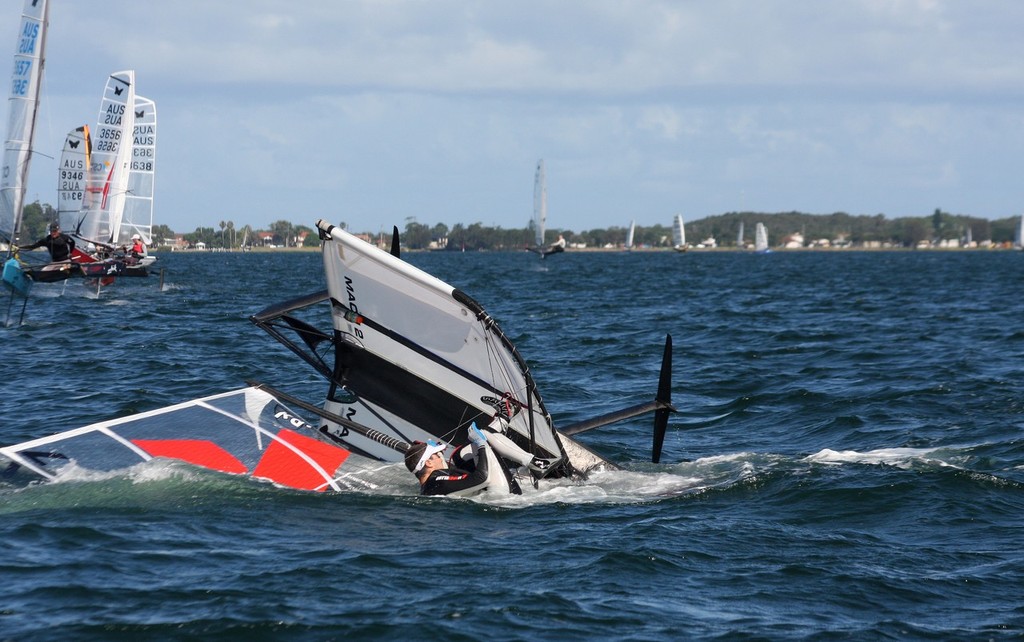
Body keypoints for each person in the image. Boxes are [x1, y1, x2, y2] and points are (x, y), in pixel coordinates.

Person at [405, 421, 559, 497]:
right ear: (429, 462)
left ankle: (501, 421)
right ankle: (536, 464)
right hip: (504, 497)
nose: (441, 456)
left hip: (495, 496)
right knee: (483, 438)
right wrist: (481, 443)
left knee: (459, 456)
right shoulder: (437, 481)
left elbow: (449, 468)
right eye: (438, 455)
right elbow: (482, 478)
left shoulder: (431, 482)